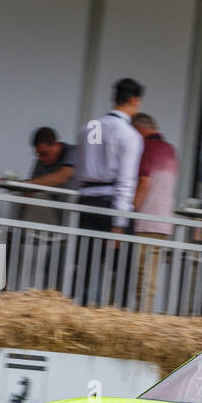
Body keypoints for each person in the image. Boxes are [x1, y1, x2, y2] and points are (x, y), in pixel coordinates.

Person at [75, 78, 145, 306]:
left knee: (85, 262)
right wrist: (120, 222)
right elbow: (126, 182)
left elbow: (80, 169)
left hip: (86, 201)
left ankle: (83, 307)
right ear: (134, 100)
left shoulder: (89, 127)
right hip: (110, 203)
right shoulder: (129, 134)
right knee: (121, 267)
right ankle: (118, 311)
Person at [131, 113, 179, 312]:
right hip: (164, 222)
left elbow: (144, 182)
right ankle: (146, 315)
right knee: (150, 275)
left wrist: (131, 210)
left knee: (140, 275)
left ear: (139, 130)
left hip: (145, 220)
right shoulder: (170, 150)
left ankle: (139, 318)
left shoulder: (146, 148)